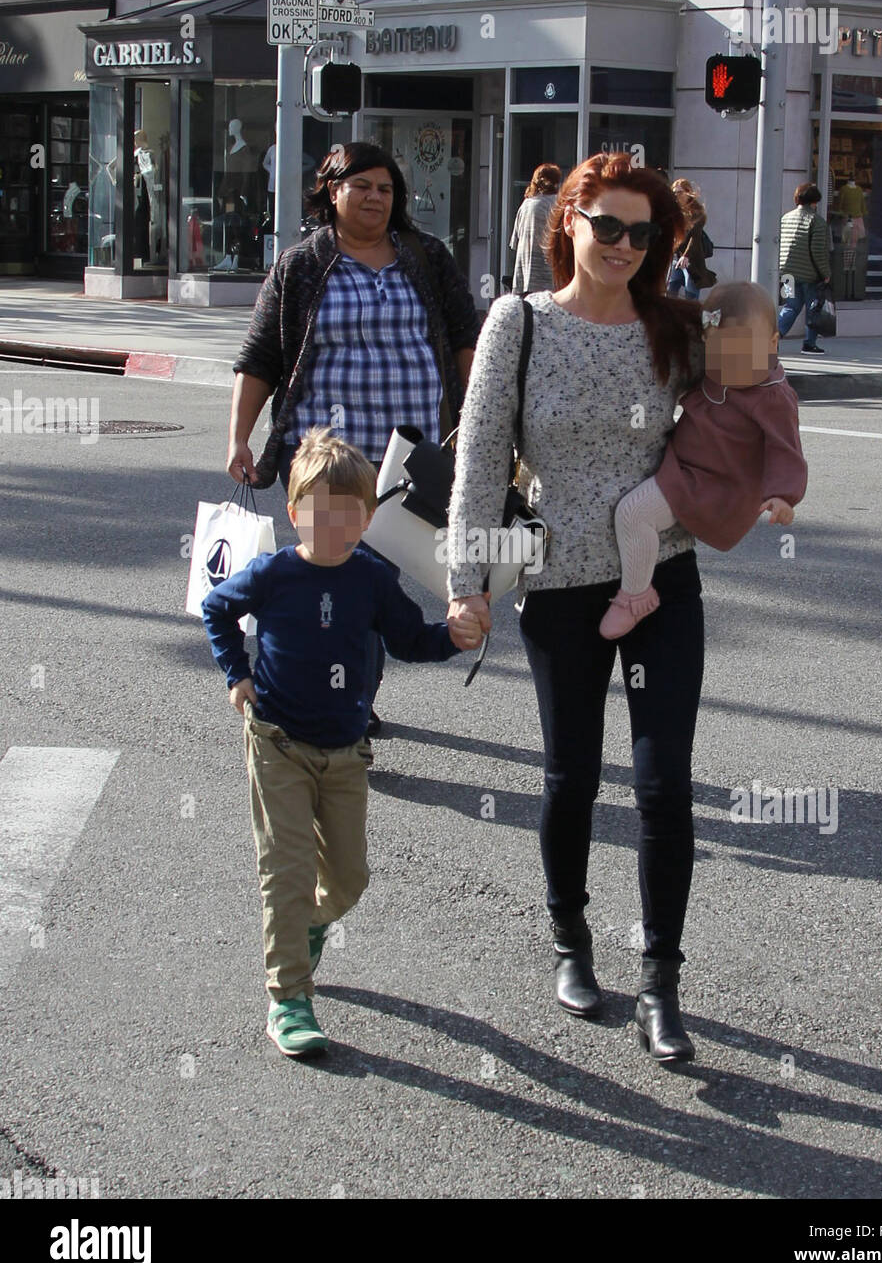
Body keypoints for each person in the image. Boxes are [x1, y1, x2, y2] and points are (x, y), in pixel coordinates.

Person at [447, 151, 706, 1063]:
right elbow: (479, 464)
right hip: (557, 584)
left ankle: (661, 983)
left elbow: (740, 417)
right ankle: (570, 941)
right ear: (569, 224)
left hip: (660, 581)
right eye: (607, 226)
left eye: (643, 232)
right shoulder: (518, 324)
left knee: (664, 782)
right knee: (572, 777)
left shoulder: (676, 328)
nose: (624, 245)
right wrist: (465, 584)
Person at [201, 430, 481, 1057]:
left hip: (347, 751)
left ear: (370, 516)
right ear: (294, 512)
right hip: (277, 742)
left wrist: (454, 636)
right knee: (286, 872)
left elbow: (409, 639)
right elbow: (217, 608)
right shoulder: (273, 574)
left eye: (348, 514)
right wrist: (236, 674)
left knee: (349, 879)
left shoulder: (370, 579)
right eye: (318, 513)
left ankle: (312, 928)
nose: (333, 526)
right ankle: (289, 998)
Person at [225, 141, 480, 736]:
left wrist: (480, 419)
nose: (375, 197)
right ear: (331, 192)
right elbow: (260, 354)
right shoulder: (303, 263)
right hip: (328, 460)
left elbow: (469, 340)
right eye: (361, 185)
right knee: (340, 581)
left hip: (411, 463)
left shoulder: (426, 256)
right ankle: (341, 707)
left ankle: (351, 699)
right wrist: (238, 436)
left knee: (373, 586)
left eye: (385, 189)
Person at [600, 281, 807, 638]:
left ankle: (635, 596)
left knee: (633, 514)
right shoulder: (716, 370)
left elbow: (785, 447)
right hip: (680, 463)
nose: (732, 365)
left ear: (773, 344)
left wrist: (783, 495)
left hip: (713, 485)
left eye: (745, 352)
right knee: (630, 510)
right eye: (721, 353)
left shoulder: (773, 396)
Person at [778, 182, 832, 354]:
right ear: (814, 202)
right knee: (813, 308)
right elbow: (818, 251)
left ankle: (772, 339)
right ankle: (809, 344)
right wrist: (825, 273)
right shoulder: (817, 221)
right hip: (809, 275)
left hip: (787, 274)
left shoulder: (785, 218)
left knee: (790, 307)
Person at [509, 163, 562, 294]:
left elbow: (514, 243)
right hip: (549, 280)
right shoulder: (557, 205)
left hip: (523, 278)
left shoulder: (525, 205)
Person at [667, 179, 715, 301]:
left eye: (679, 192)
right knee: (671, 289)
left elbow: (695, 236)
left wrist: (687, 256)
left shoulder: (698, 213)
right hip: (676, 257)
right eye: (674, 193)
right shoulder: (675, 212)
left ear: (688, 193)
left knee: (691, 291)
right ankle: (669, 317)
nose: (676, 196)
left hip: (691, 259)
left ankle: (692, 316)